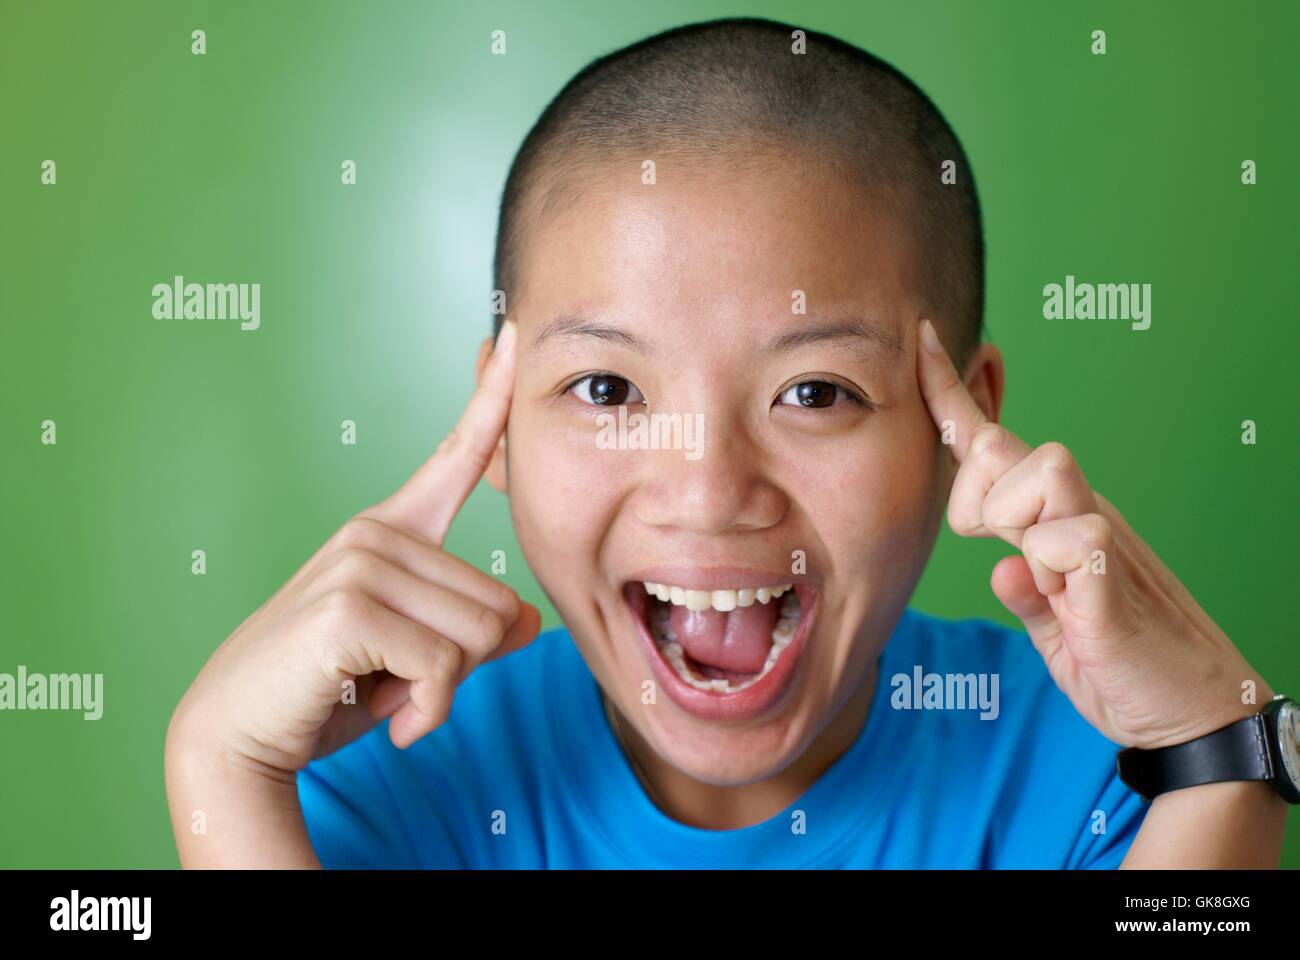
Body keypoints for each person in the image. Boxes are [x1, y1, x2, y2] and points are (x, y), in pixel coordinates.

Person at [164, 17, 1290, 868]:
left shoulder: (1101, 767)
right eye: (605, 385)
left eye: (814, 392)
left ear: (965, 428)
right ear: (497, 422)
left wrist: (1221, 755)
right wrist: (218, 771)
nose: (706, 491)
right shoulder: (388, 790)